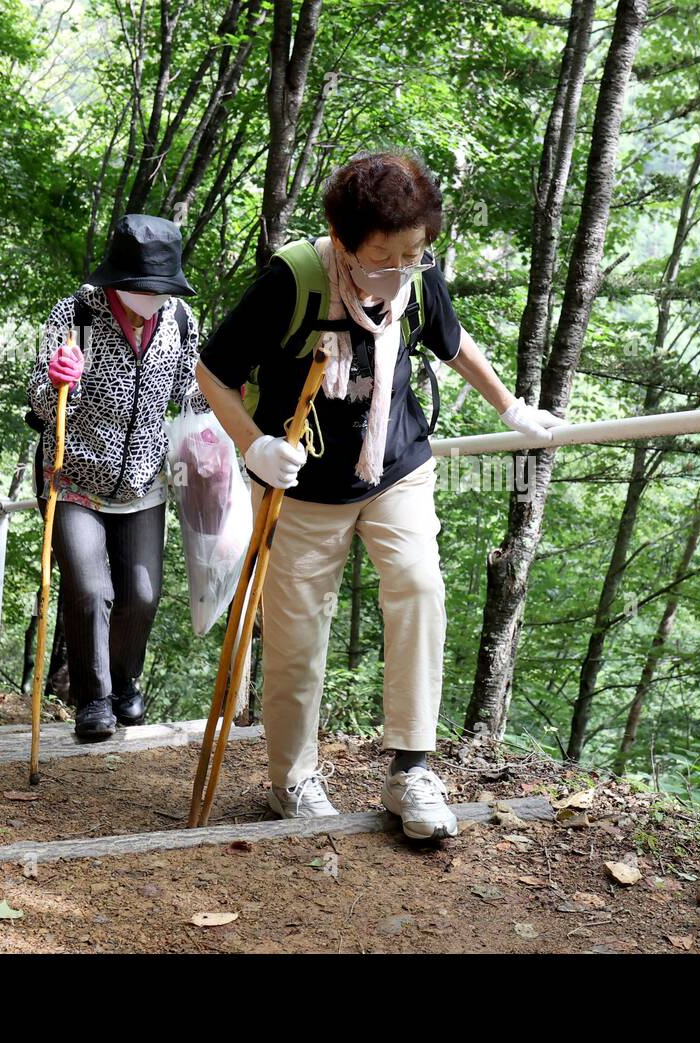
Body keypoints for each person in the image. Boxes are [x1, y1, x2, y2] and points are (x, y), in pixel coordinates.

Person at [197, 150, 562, 840]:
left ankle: (411, 770)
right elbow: (213, 372)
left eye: (415, 254)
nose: (400, 271)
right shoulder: (292, 280)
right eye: (384, 257)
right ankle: (293, 779)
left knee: (420, 585)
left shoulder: (417, 278)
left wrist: (511, 408)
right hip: (301, 485)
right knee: (298, 633)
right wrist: (253, 443)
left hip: (395, 466)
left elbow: (453, 345)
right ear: (342, 243)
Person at [28, 213, 210, 741]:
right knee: (89, 588)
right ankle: (94, 700)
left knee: (142, 593)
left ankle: (125, 680)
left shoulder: (179, 319)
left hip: (143, 482)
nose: (151, 297)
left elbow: (192, 394)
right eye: (141, 287)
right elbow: (41, 404)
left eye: (161, 288)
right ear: (117, 281)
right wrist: (60, 379)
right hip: (73, 478)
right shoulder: (77, 312)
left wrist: (226, 410)